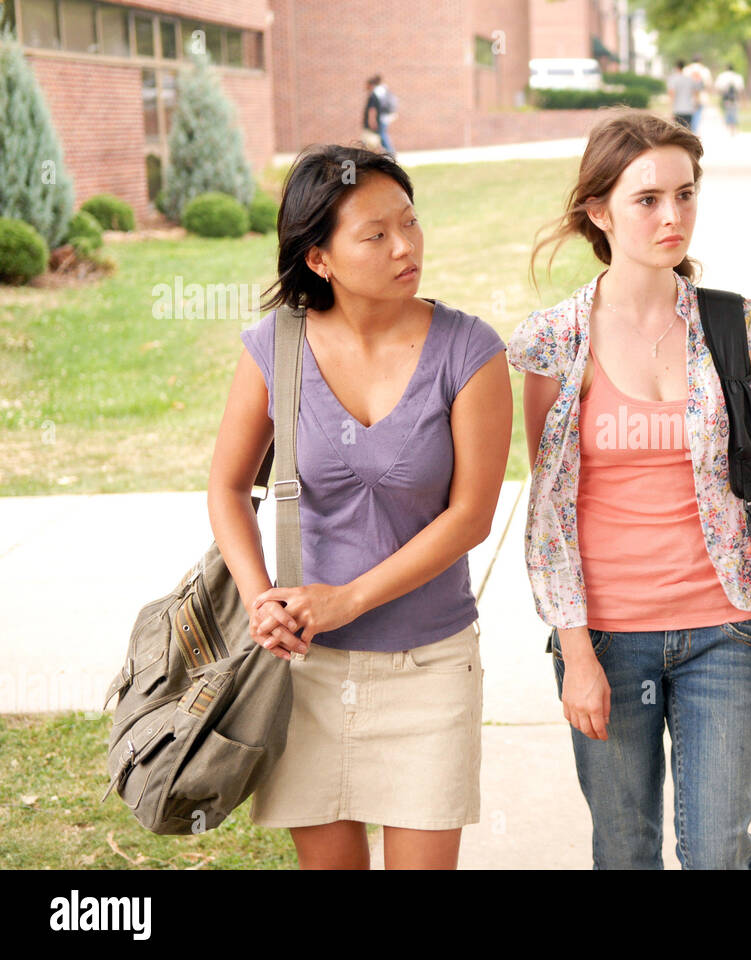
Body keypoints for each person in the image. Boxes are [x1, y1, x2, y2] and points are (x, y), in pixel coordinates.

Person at [507, 108, 751, 869]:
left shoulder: (730, 323)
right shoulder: (554, 341)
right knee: (625, 847)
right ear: (599, 211)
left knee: (718, 849)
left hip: (725, 628)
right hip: (607, 639)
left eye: (686, 193)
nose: (673, 215)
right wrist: (576, 654)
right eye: (647, 199)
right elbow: (550, 518)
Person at [207, 144, 512, 869]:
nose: (405, 246)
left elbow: (470, 515)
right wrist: (261, 602)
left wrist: (347, 599)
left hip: (429, 666)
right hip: (302, 673)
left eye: (409, 222)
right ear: (320, 259)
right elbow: (226, 486)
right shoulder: (275, 349)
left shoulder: (470, 351)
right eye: (376, 235)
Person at [363, 75, 396, 155]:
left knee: (381, 136)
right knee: (382, 135)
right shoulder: (382, 92)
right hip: (383, 118)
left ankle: (391, 153)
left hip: (378, 120)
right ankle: (389, 152)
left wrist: (372, 121)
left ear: (371, 84)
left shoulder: (374, 95)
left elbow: (372, 110)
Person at [683, 55, 713, 133]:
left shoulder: (686, 69)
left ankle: (689, 131)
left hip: (688, 96)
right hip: (701, 96)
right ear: (700, 61)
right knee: (698, 114)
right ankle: (694, 131)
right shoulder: (704, 70)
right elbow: (708, 84)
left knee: (689, 115)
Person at [715, 63, 745, 135]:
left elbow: (718, 88)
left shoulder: (722, 76)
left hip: (726, 98)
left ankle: (728, 127)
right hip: (735, 98)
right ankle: (733, 127)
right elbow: (741, 89)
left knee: (727, 112)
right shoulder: (737, 76)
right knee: (734, 112)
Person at [666, 60, 697, 129]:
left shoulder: (673, 79)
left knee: (679, 133)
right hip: (689, 109)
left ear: (676, 67)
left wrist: (670, 110)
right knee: (688, 132)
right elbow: (694, 93)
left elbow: (672, 95)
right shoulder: (690, 79)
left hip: (678, 110)